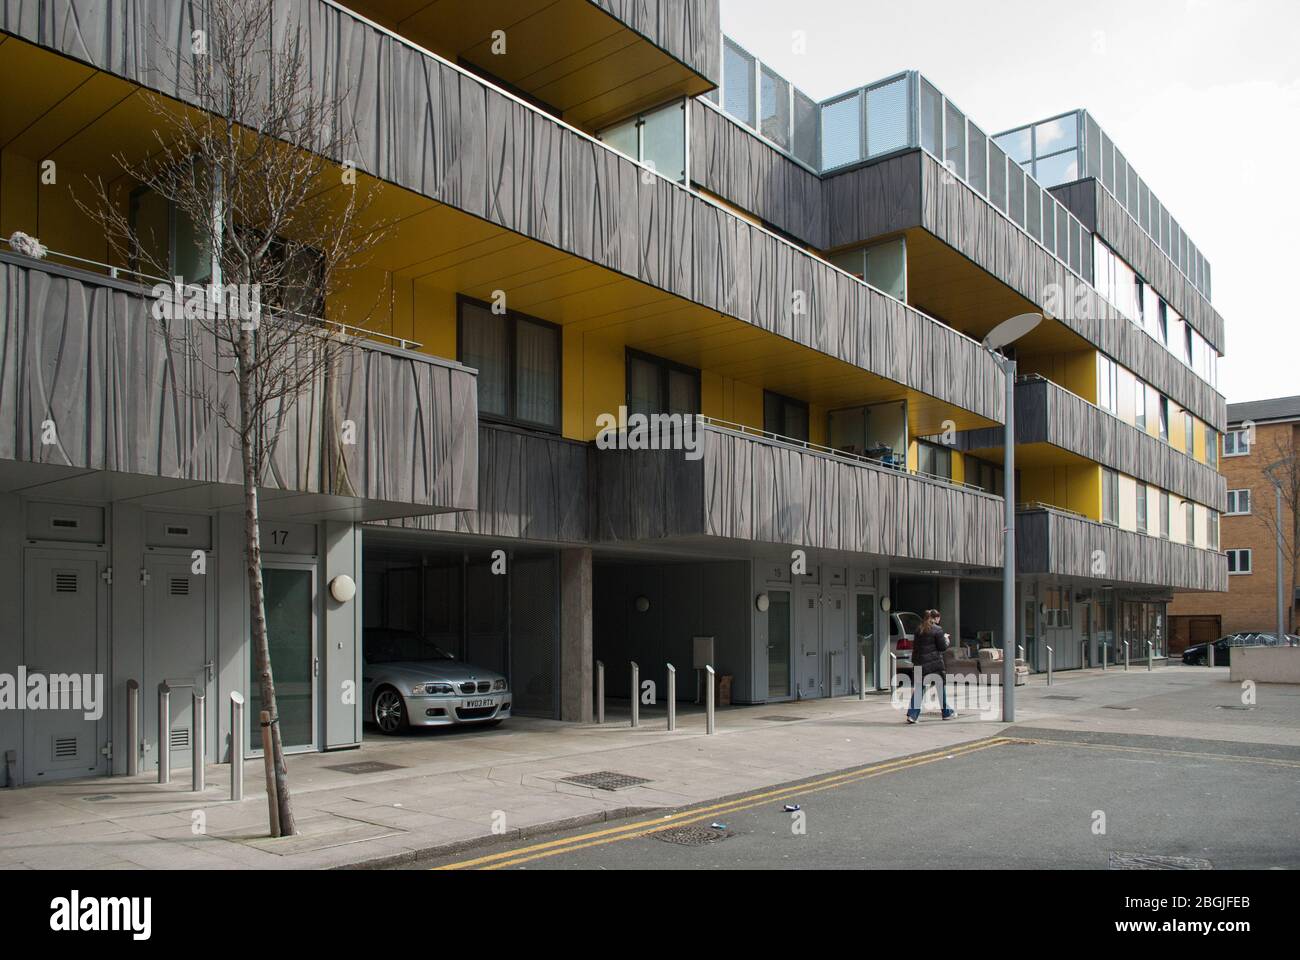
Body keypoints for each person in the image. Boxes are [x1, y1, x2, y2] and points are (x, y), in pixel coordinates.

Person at [906, 608, 957, 723]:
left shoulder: (919, 629)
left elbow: (916, 648)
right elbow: (942, 647)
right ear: (935, 618)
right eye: (939, 617)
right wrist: (946, 639)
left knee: (919, 688)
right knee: (940, 688)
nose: (939, 619)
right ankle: (946, 713)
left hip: (919, 663)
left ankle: (913, 715)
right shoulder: (938, 630)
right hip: (934, 664)